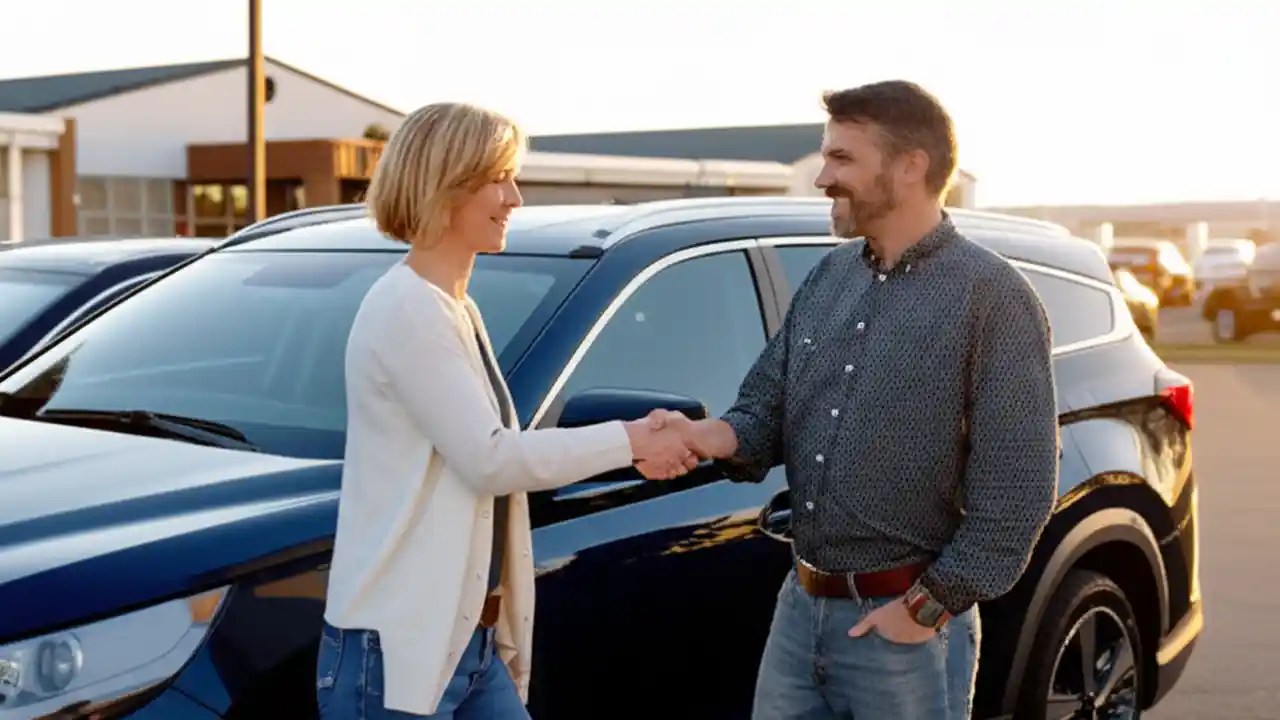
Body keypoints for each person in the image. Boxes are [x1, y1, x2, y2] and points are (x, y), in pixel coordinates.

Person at [654, 80, 1060, 719]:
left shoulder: (993, 297)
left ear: (910, 166)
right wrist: (707, 435)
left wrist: (926, 608)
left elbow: (1018, 490)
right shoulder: (827, 277)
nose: (822, 178)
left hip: (907, 633)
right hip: (799, 609)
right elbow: (765, 409)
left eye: (842, 158)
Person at [316, 101, 699, 720]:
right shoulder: (408, 309)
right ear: (444, 185)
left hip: (463, 646)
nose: (514, 197)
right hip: (400, 652)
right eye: (498, 178)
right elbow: (492, 459)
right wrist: (632, 440)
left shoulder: (452, 307)